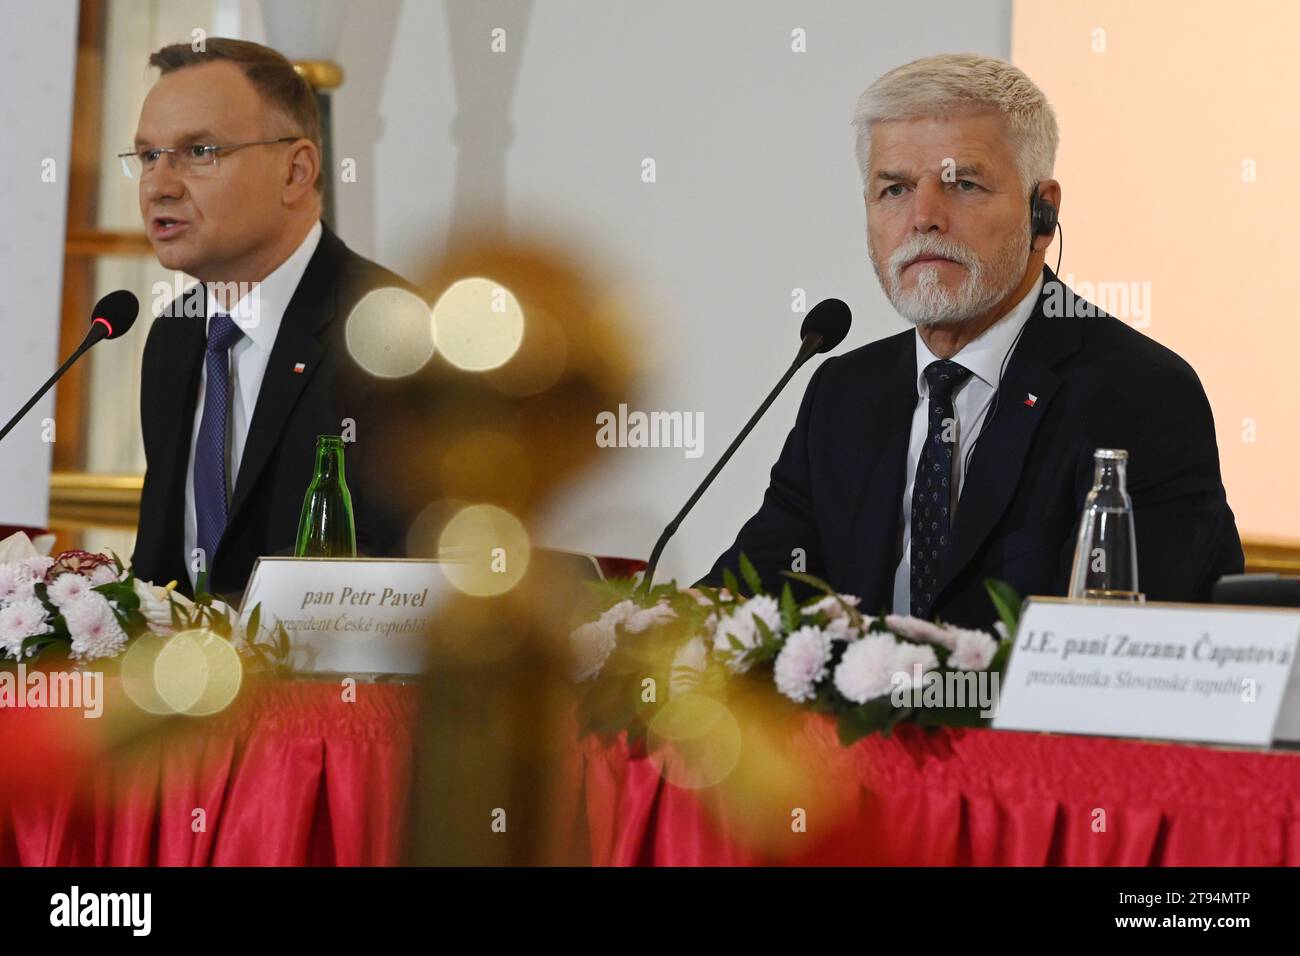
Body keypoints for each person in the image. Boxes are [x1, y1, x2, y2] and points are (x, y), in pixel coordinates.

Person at [704, 53, 1242, 626]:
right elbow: (753, 588)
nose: (924, 217)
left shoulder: (1140, 395)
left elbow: (1115, 653)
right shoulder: (844, 393)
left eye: (962, 183)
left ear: (1044, 212)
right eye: (895, 189)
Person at [126, 38, 418, 597]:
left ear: (296, 171)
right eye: (147, 156)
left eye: (199, 152)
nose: (159, 186)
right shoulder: (175, 336)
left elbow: (415, 579)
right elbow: (163, 575)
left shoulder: (388, 333)